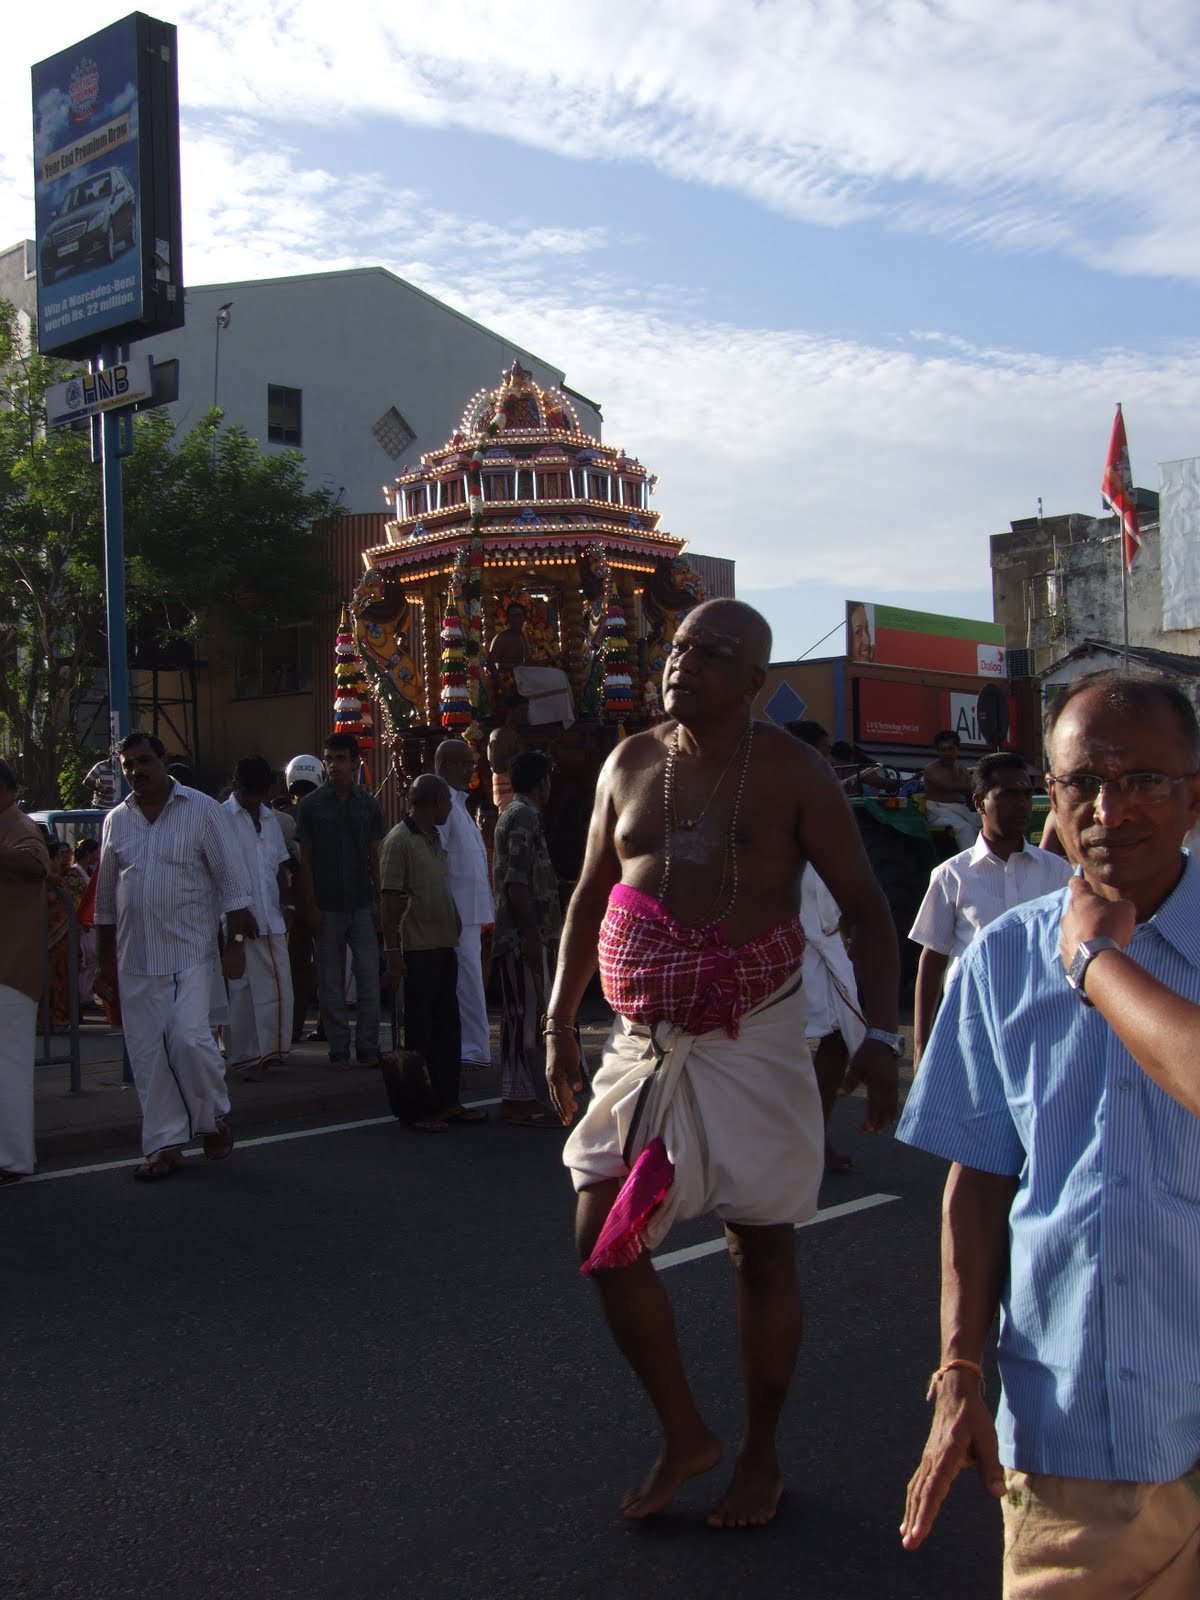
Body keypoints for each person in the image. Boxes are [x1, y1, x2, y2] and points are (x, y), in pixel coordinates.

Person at [544, 599, 901, 1526]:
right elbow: (588, 899)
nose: (685, 663)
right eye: (679, 647)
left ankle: (760, 1455)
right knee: (600, 1236)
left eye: (713, 653)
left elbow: (866, 910)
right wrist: (555, 1022)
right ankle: (685, 1433)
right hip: (644, 1046)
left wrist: (883, 1037)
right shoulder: (628, 763)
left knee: (762, 1247)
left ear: (753, 683)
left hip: (759, 1038)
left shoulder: (796, 773)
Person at [897, 670, 1200, 1596]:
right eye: (1081, 785)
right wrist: (958, 1369)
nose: (1111, 810)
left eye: (1144, 780)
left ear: (1196, 793)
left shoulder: (1067, 953)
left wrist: (1094, 960)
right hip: (1080, 1432)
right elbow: (981, 1180)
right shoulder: (998, 962)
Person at [93, 732, 253, 1182]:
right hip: (135, 958)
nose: (136, 771)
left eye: (144, 761)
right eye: (128, 765)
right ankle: (165, 1145)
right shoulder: (115, 821)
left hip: (192, 954)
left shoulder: (202, 811)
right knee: (148, 1057)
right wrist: (105, 964)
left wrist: (236, 947)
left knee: (189, 1040)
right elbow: (106, 901)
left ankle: (214, 1116)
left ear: (164, 761)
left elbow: (234, 888)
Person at [909, 752, 1071, 1066]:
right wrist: (921, 1046)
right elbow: (933, 960)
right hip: (972, 1028)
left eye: (1027, 793)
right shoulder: (951, 875)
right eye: (1008, 794)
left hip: (1041, 1030)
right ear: (980, 803)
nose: (1022, 803)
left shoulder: (1057, 873)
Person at [380, 774, 484, 1131]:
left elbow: (440, 882)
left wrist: (453, 912)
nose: (448, 810)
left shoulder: (434, 838)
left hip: (443, 944)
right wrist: (393, 952)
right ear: (433, 802)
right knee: (418, 1030)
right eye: (445, 803)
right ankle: (416, 1110)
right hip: (416, 947)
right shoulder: (399, 841)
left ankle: (447, 1100)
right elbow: (390, 900)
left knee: (447, 1026)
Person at [786, 720, 868, 1174]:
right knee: (780, 1045)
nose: (828, 764)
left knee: (836, 1036)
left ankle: (813, 1137)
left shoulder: (829, 804)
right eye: (820, 754)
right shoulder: (763, 803)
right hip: (779, 944)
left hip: (825, 940)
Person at [295, 732, 387, 1071]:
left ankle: (368, 1046)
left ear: (354, 762)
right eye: (329, 759)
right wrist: (310, 904)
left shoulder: (369, 804)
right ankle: (338, 1049)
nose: (334, 765)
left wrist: (381, 901)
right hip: (327, 904)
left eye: (341, 759)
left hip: (362, 902)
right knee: (330, 982)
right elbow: (305, 859)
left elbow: (376, 855)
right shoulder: (310, 805)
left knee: (368, 978)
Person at [492, 749, 562, 1127]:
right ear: (541, 783)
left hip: (528, 936)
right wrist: (532, 936)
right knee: (527, 1018)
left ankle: (526, 1096)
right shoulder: (522, 816)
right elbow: (516, 882)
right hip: (522, 939)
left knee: (526, 1017)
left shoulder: (520, 815)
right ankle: (522, 1100)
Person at [220, 757, 294, 1081]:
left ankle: (273, 1051)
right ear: (236, 787)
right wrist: (237, 913)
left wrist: (287, 906)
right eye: (248, 794)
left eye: (260, 795)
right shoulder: (220, 818)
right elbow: (219, 872)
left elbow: (278, 867)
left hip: (272, 917)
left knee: (278, 990)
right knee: (242, 992)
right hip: (238, 921)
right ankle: (245, 1057)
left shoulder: (270, 819)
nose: (253, 801)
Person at [0, 761, 50, 1184]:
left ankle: (13, 1158)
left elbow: (36, 865)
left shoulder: (18, 825)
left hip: (11, 969)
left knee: (10, 1067)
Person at [433, 739, 495, 1069]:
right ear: (444, 765)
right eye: (464, 764)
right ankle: (472, 1048)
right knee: (465, 983)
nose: (471, 770)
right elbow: (438, 859)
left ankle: (472, 1047)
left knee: (468, 982)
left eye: (471, 763)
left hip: (469, 912)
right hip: (455, 913)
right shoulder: (442, 803)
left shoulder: (459, 804)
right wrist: (449, 908)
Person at [921, 730, 982, 849]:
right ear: (938, 752)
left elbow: (971, 789)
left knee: (990, 822)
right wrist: (970, 784)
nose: (946, 753)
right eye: (942, 750)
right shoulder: (931, 769)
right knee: (965, 828)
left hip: (962, 811)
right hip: (938, 813)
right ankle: (971, 865)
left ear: (957, 749)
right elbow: (948, 786)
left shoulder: (961, 769)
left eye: (950, 748)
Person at [69, 839, 100, 1006]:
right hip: (82, 923)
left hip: (90, 922)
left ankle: (86, 994)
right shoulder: (75, 872)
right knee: (85, 960)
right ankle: (83, 995)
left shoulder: (88, 871)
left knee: (91, 959)